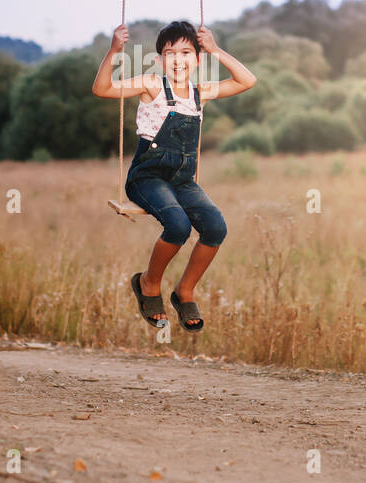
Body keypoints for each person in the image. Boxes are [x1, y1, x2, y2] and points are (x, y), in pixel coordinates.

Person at [92, 19, 256, 331]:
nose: (178, 60)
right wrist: (115, 50)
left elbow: (246, 80)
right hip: (147, 177)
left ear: (197, 59)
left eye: (185, 52)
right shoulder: (151, 85)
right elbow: (101, 89)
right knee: (178, 224)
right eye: (169, 53)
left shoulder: (200, 92)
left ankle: (184, 291)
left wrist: (215, 49)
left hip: (182, 179)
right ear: (159, 60)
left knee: (215, 227)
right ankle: (148, 283)